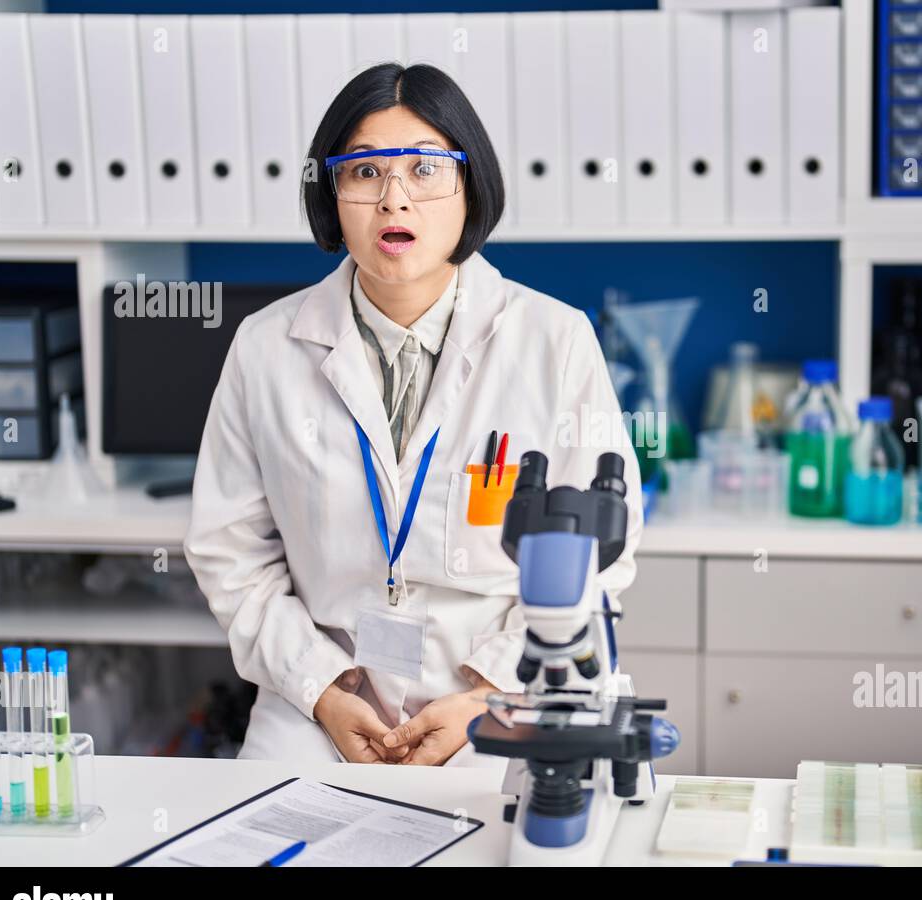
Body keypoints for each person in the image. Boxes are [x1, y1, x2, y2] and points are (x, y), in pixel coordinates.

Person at [185, 62, 642, 767]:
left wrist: (488, 690)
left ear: (470, 187)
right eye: (364, 173)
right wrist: (321, 687)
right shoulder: (265, 349)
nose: (394, 199)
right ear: (331, 194)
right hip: (324, 706)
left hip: (499, 698)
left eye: (426, 169)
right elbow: (230, 552)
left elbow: (599, 557)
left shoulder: (555, 340)